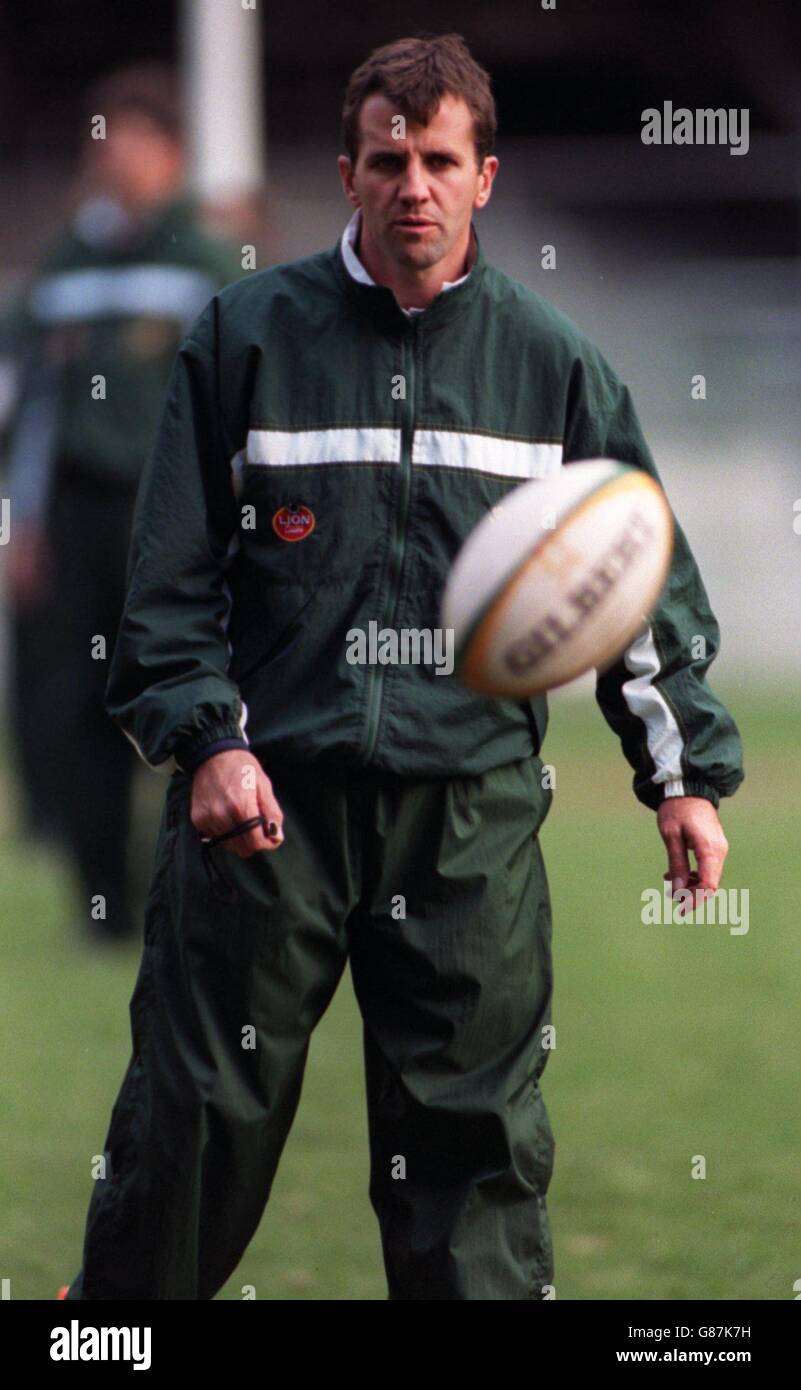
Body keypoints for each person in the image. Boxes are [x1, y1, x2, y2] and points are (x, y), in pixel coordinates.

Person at [59, 34, 743, 1300]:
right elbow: (167, 580)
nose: (412, 185)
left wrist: (684, 775)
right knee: (187, 1137)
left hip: (467, 824)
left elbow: (641, 580)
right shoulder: (246, 336)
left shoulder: (555, 366)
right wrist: (209, 741)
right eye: (388, 160)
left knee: (471, 1159)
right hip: (270, 819)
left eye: (440, 160)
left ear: (486, 177)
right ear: (347, 173)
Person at [2, 63, 243, 940]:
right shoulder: (66, 260)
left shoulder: (209, 261)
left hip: (171, 521)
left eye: (131, 138)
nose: (112, 157)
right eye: (100, 138)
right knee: (79, 704)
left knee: (190, 704)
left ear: (171, 152)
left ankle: (193, 893)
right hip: (74, 518)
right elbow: (25, 404)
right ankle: (103, 906)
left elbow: (235, 408)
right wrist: (18, 523)